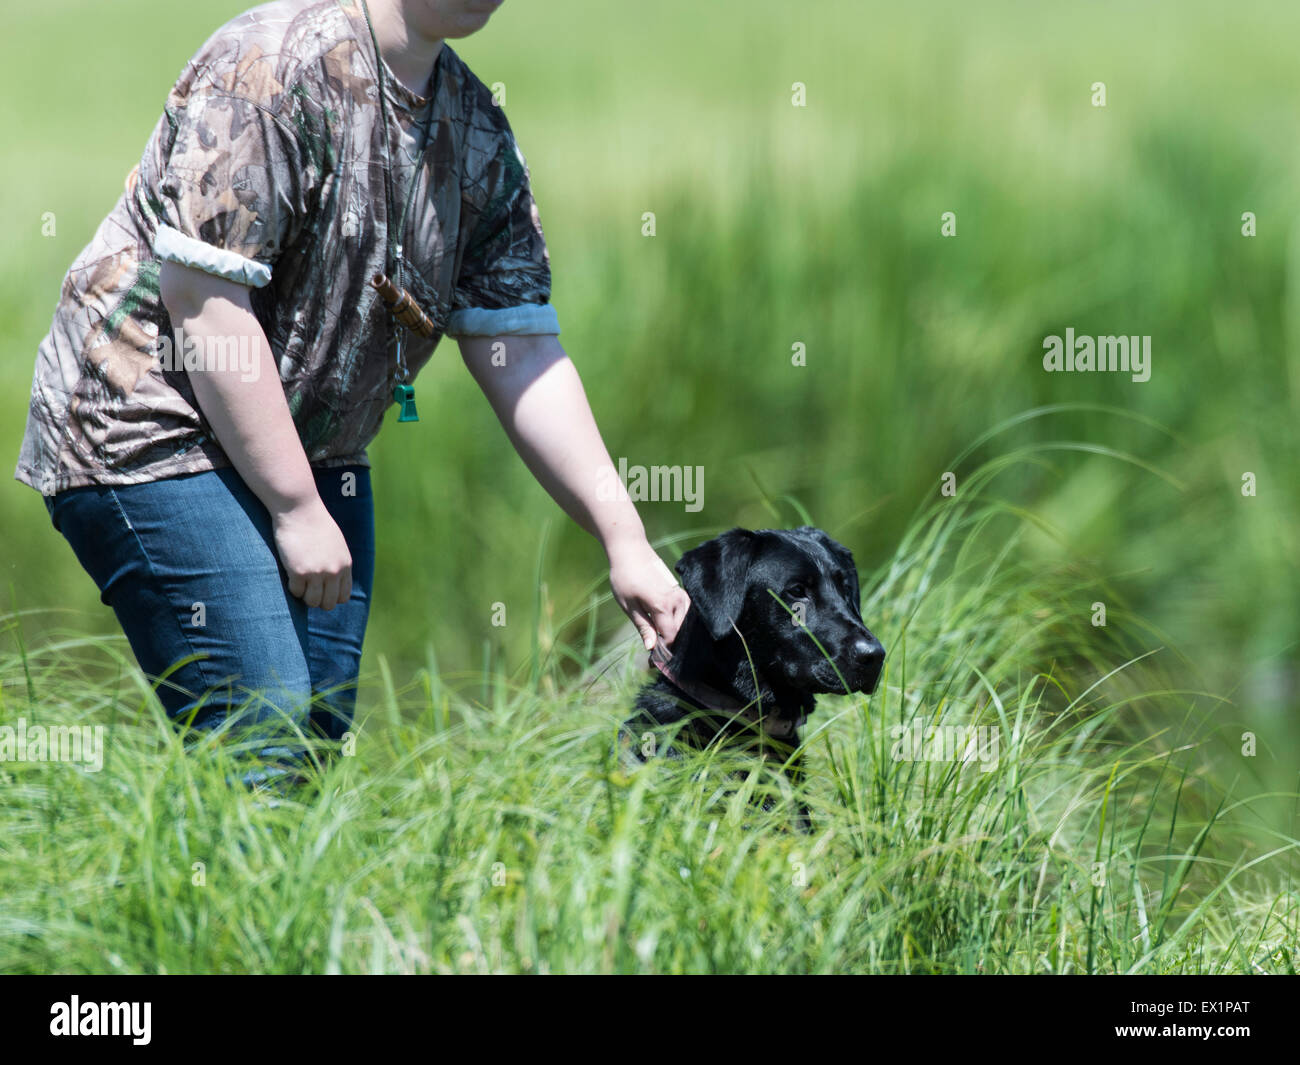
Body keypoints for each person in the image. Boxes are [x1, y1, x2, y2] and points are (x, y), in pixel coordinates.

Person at [14, 0, 688, 777]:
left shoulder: (474, 129)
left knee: (313, 753)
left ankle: (236, 899)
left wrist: (624, 539)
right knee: (262, 733)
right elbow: (203, 305)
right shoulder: (269, 66)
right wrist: (297, 507)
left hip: (310, 445)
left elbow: (521, 349)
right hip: (146, 426)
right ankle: (181, 898)